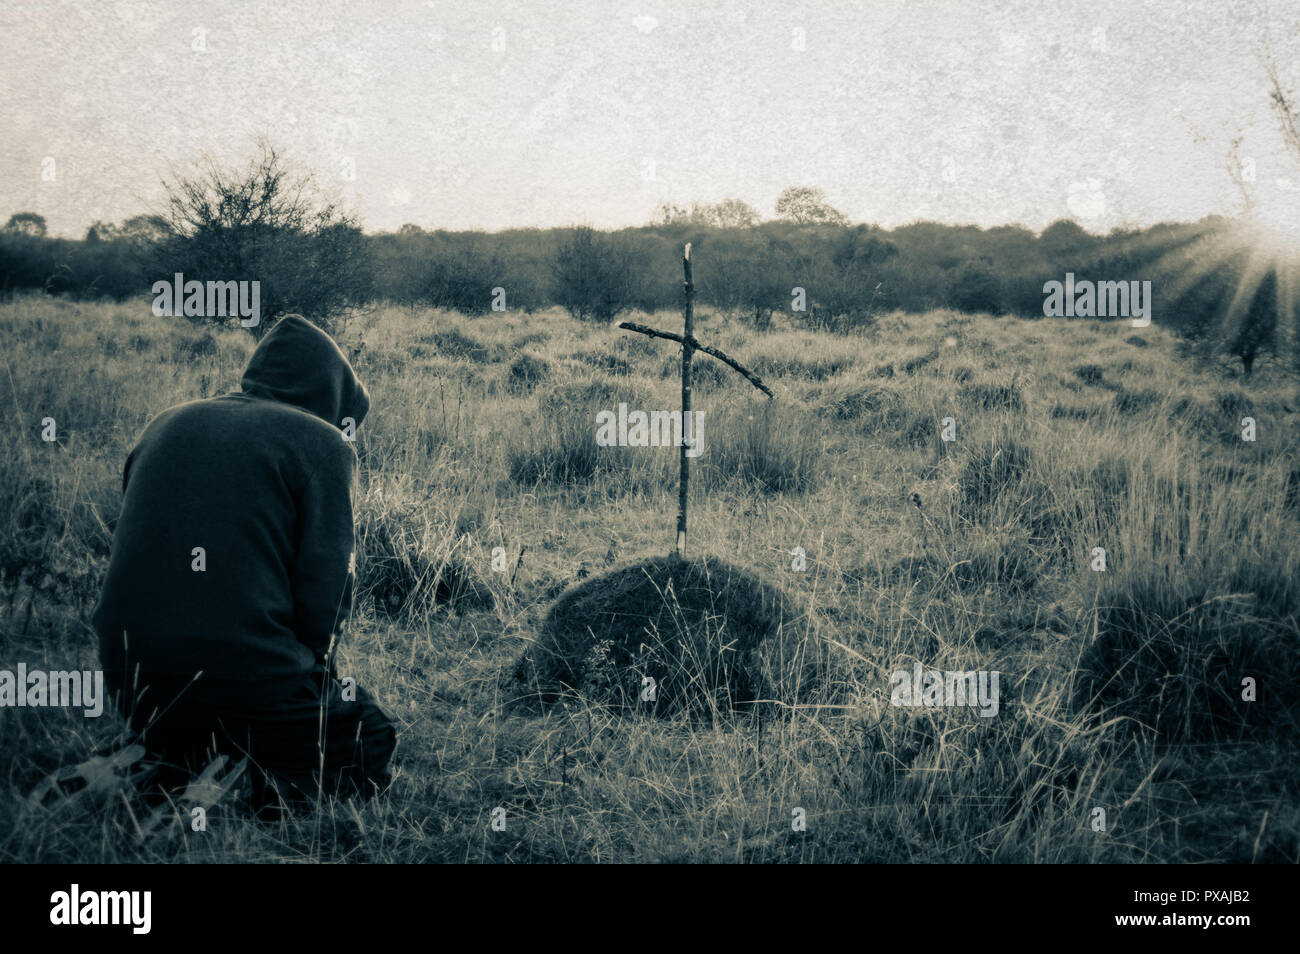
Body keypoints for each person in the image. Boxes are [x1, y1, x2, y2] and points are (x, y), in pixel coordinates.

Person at [93, 314, 395, 808]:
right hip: (246, 683)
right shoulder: (323, 444)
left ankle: (175, 751)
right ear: (332, 395)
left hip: (131, 681)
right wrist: (314, 676)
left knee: (199, 725)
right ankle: (252, 786)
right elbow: (326, 593)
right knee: (371, 734)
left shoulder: (165, 422)